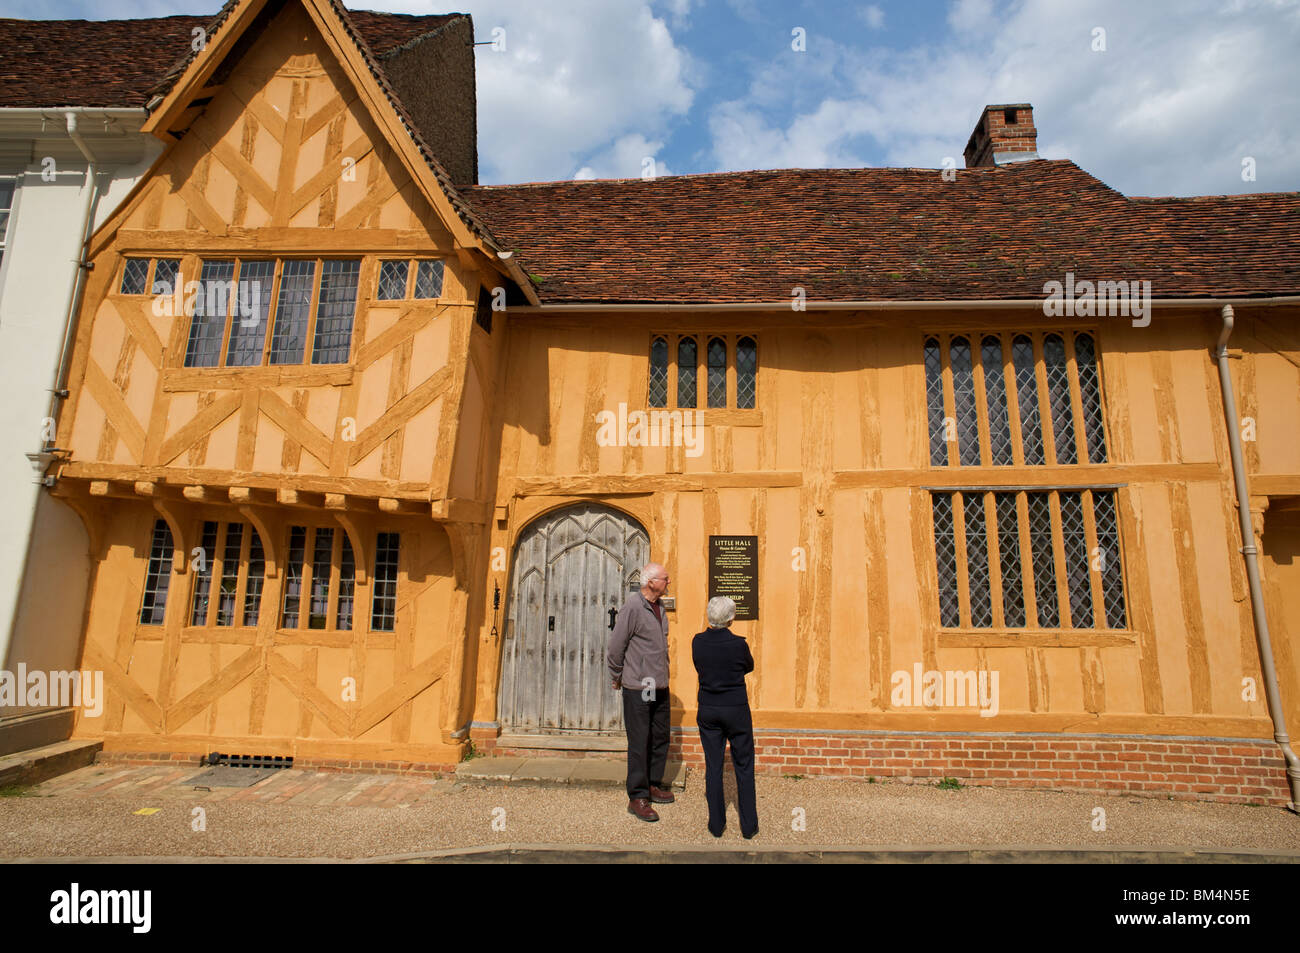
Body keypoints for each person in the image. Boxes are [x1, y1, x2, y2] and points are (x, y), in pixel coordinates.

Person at [608, 562, 673, 822]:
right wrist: (616, 676)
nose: (668, 582)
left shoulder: (659, 607)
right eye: (665, 579)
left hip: (659, 683)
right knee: (640, 739)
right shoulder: (633, 608)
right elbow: (616, 646)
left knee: (659, 735)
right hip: (641, 685)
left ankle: (653, 784)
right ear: (651, 582)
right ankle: (637, 796)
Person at [691, 595, 757, 839]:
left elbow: (699, 666)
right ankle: (749, 826)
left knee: (714, 765)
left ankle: (716, 824)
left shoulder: (697, 641)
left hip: (708, 707)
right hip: (735, 708)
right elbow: (748, 666)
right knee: (744, 765)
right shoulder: (738, 644)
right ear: (731, 619)